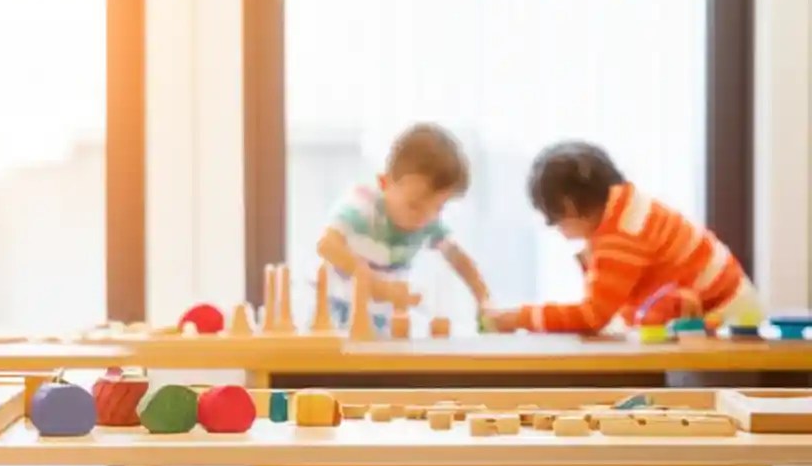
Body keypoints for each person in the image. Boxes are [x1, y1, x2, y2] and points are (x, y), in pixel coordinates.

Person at [481, 141, 762, 334]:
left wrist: (519, 317)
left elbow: (593, 315)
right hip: (727, 305)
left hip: (727, 317)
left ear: (569, 206)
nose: (557, 229)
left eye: (554, 218)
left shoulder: (623, 233)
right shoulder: (628, 209)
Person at [316, 123, 490, 330]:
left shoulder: (428, 221)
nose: (424, 218)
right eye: (414, 205)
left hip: (380, 319)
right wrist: (376, 285)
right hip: (336, 310)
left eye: (439, 208)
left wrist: (483, 297)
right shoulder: (363, 206)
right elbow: (326, 245)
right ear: (384, 183)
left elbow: (457, 256)